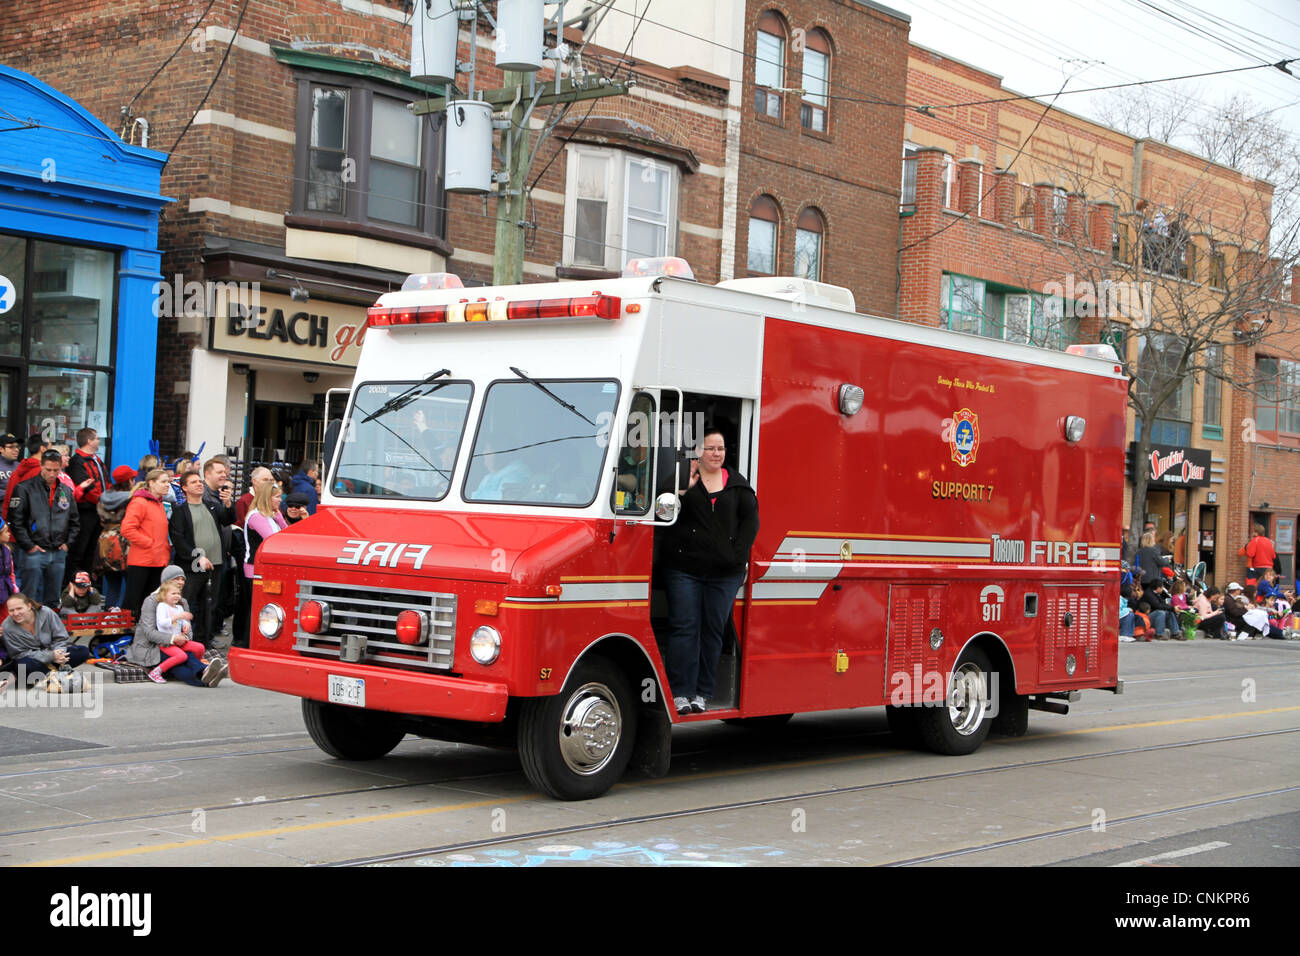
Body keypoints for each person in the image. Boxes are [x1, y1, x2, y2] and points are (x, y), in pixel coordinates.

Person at [658, 427, 759, 714]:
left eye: (721, 449)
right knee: (684, 628)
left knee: (712, 631)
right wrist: (680, 491)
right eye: (711, 448)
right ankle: (680, 693)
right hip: (684, 570)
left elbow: (751, 524)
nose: (716, 454)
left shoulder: (738, 485)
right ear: (698, 451)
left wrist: (736, 558)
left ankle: (702, 693)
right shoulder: (680, 479)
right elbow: (660, 514)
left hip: (724, 575)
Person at [125, 565, 228, 687]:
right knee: (181, 660)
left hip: (176, 643)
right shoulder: (151, 601)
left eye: (182, 579)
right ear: (166, 582)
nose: (181, 582)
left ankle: (207, 674)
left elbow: (187, 627)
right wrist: (173, 639)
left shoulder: (182, 602)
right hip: (152, 646)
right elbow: (149, 632)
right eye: (176, 579)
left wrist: (185, 636)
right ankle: (204, 677)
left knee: (187, 654)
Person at [8, 449, 79, 607]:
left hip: (58, 549)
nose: (52, 474)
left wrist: (68, 543)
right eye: (48, 470)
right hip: (34, 549)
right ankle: (27, 630)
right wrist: (29, 545)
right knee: (29, 597)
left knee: (53, 598)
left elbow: (75, 521)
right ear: (41, 466)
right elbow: (15, 520)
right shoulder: (24, 488)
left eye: (56, 470)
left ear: (61, 468)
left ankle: (49, 628)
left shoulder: (66, 491)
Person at [168, 470, 226, 647]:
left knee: (210, 604)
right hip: (192, 565)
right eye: (193, 482)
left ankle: (204, 640)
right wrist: (197, 556)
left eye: (200, 481)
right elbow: (178, 538)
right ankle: (179, 639)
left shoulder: (211, 505)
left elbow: (228, 520)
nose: (199, 484)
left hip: (215, 563)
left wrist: (228, 504)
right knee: (186, 601)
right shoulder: (180, 511)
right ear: (184, 488)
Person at [234, 482, 287, 647]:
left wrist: (279, 517)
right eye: (277, 497)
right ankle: (247, 642)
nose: (280, 500)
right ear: (267, 498)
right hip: (254, 569)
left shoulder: (269, 515)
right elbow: (274, 539)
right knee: (255, 608)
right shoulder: (257, 516)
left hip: (264, 569)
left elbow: (287, 533)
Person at [2, 592, 91, 686]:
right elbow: (19, 654)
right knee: (22, 665)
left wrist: (59, 654)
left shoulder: (46, 612)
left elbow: (61, 637)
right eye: (11, 610)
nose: (16, 613)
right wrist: (50, 656)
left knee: (83, 651)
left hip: (55, 654)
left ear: (29, 606)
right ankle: (54, 675)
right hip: (33, 659)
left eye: (19, 608)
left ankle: (48, 674)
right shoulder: (7, 627)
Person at [121, 468, 173, 617]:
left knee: (150, 603)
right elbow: (127, 529)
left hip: (158, 560)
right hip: (142, 561)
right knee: (133, 602)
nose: (167, 485)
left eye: (168, 482)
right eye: (163, 482)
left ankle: (143, 634)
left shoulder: (159, 503)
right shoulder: (140, 502)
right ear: (151, 483)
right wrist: (149, 543)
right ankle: (124, 635)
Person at [64, 427, 108, 584]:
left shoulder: (97, 460)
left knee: (91, 550)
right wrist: (105, 501)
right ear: (89, 441)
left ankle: (87, 584)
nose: (99, 441)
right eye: (96, 438)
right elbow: (87, 489)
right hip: (85, 512)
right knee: (79, 550)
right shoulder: (78, 462)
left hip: (98, 512)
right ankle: (72, 584)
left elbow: (105, 483)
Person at [146, 574, 207, 684]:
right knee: (181, 656)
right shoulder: (162, 606)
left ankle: (199, 668)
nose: (177, 596)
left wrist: (185, 624)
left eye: (178, 593)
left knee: (199, 647)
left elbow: (180, 622)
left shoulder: (179, 607)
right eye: (173, 593)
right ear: (164, 595)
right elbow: (162, 623)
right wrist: (179, 617)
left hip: (180, 639)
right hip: (167, 642)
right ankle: (156, 672)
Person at [95, 466, 135, 611]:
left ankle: (109, 614)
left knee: (112, 583)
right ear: (129, 480)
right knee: (130, 583)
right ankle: (122, 617)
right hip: (124, 544)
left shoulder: (103, 498)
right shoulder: (132, 499)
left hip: (105, 543)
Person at [0, 517, 18, 626]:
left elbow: (11, 572)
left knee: (6, 621)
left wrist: (14, 588)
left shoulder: (6, 550)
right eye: (6, 532)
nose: (9, 534)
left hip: (6, 591)